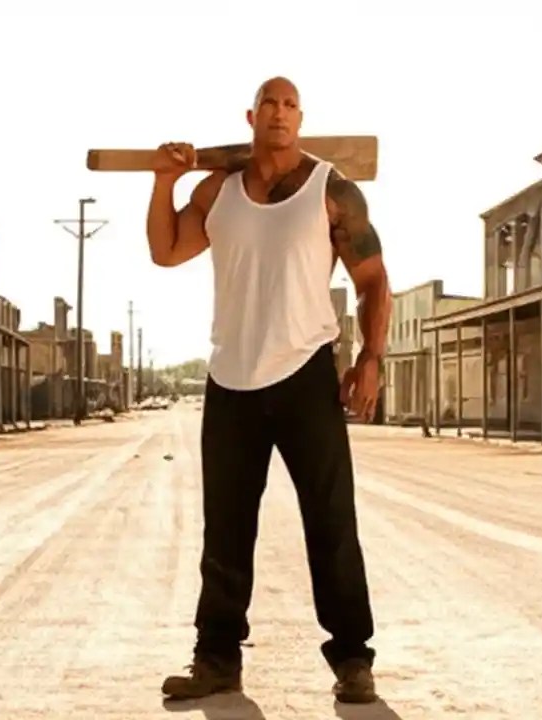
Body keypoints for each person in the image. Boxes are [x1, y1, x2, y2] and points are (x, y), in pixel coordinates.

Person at [144, 76, 392, 705]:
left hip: (306, 368)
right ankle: (217, 657)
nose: (279, 114)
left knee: (331, 522)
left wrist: (371, 357)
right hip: (230, 375)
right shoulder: (217, 190)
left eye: (290, 105)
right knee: (225, 529)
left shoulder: (331, 190)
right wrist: (163, 180)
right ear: (251, 116)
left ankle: (353, 659)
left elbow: (373, 279)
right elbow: (167, 250)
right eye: (270, 105)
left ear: (299, 117)